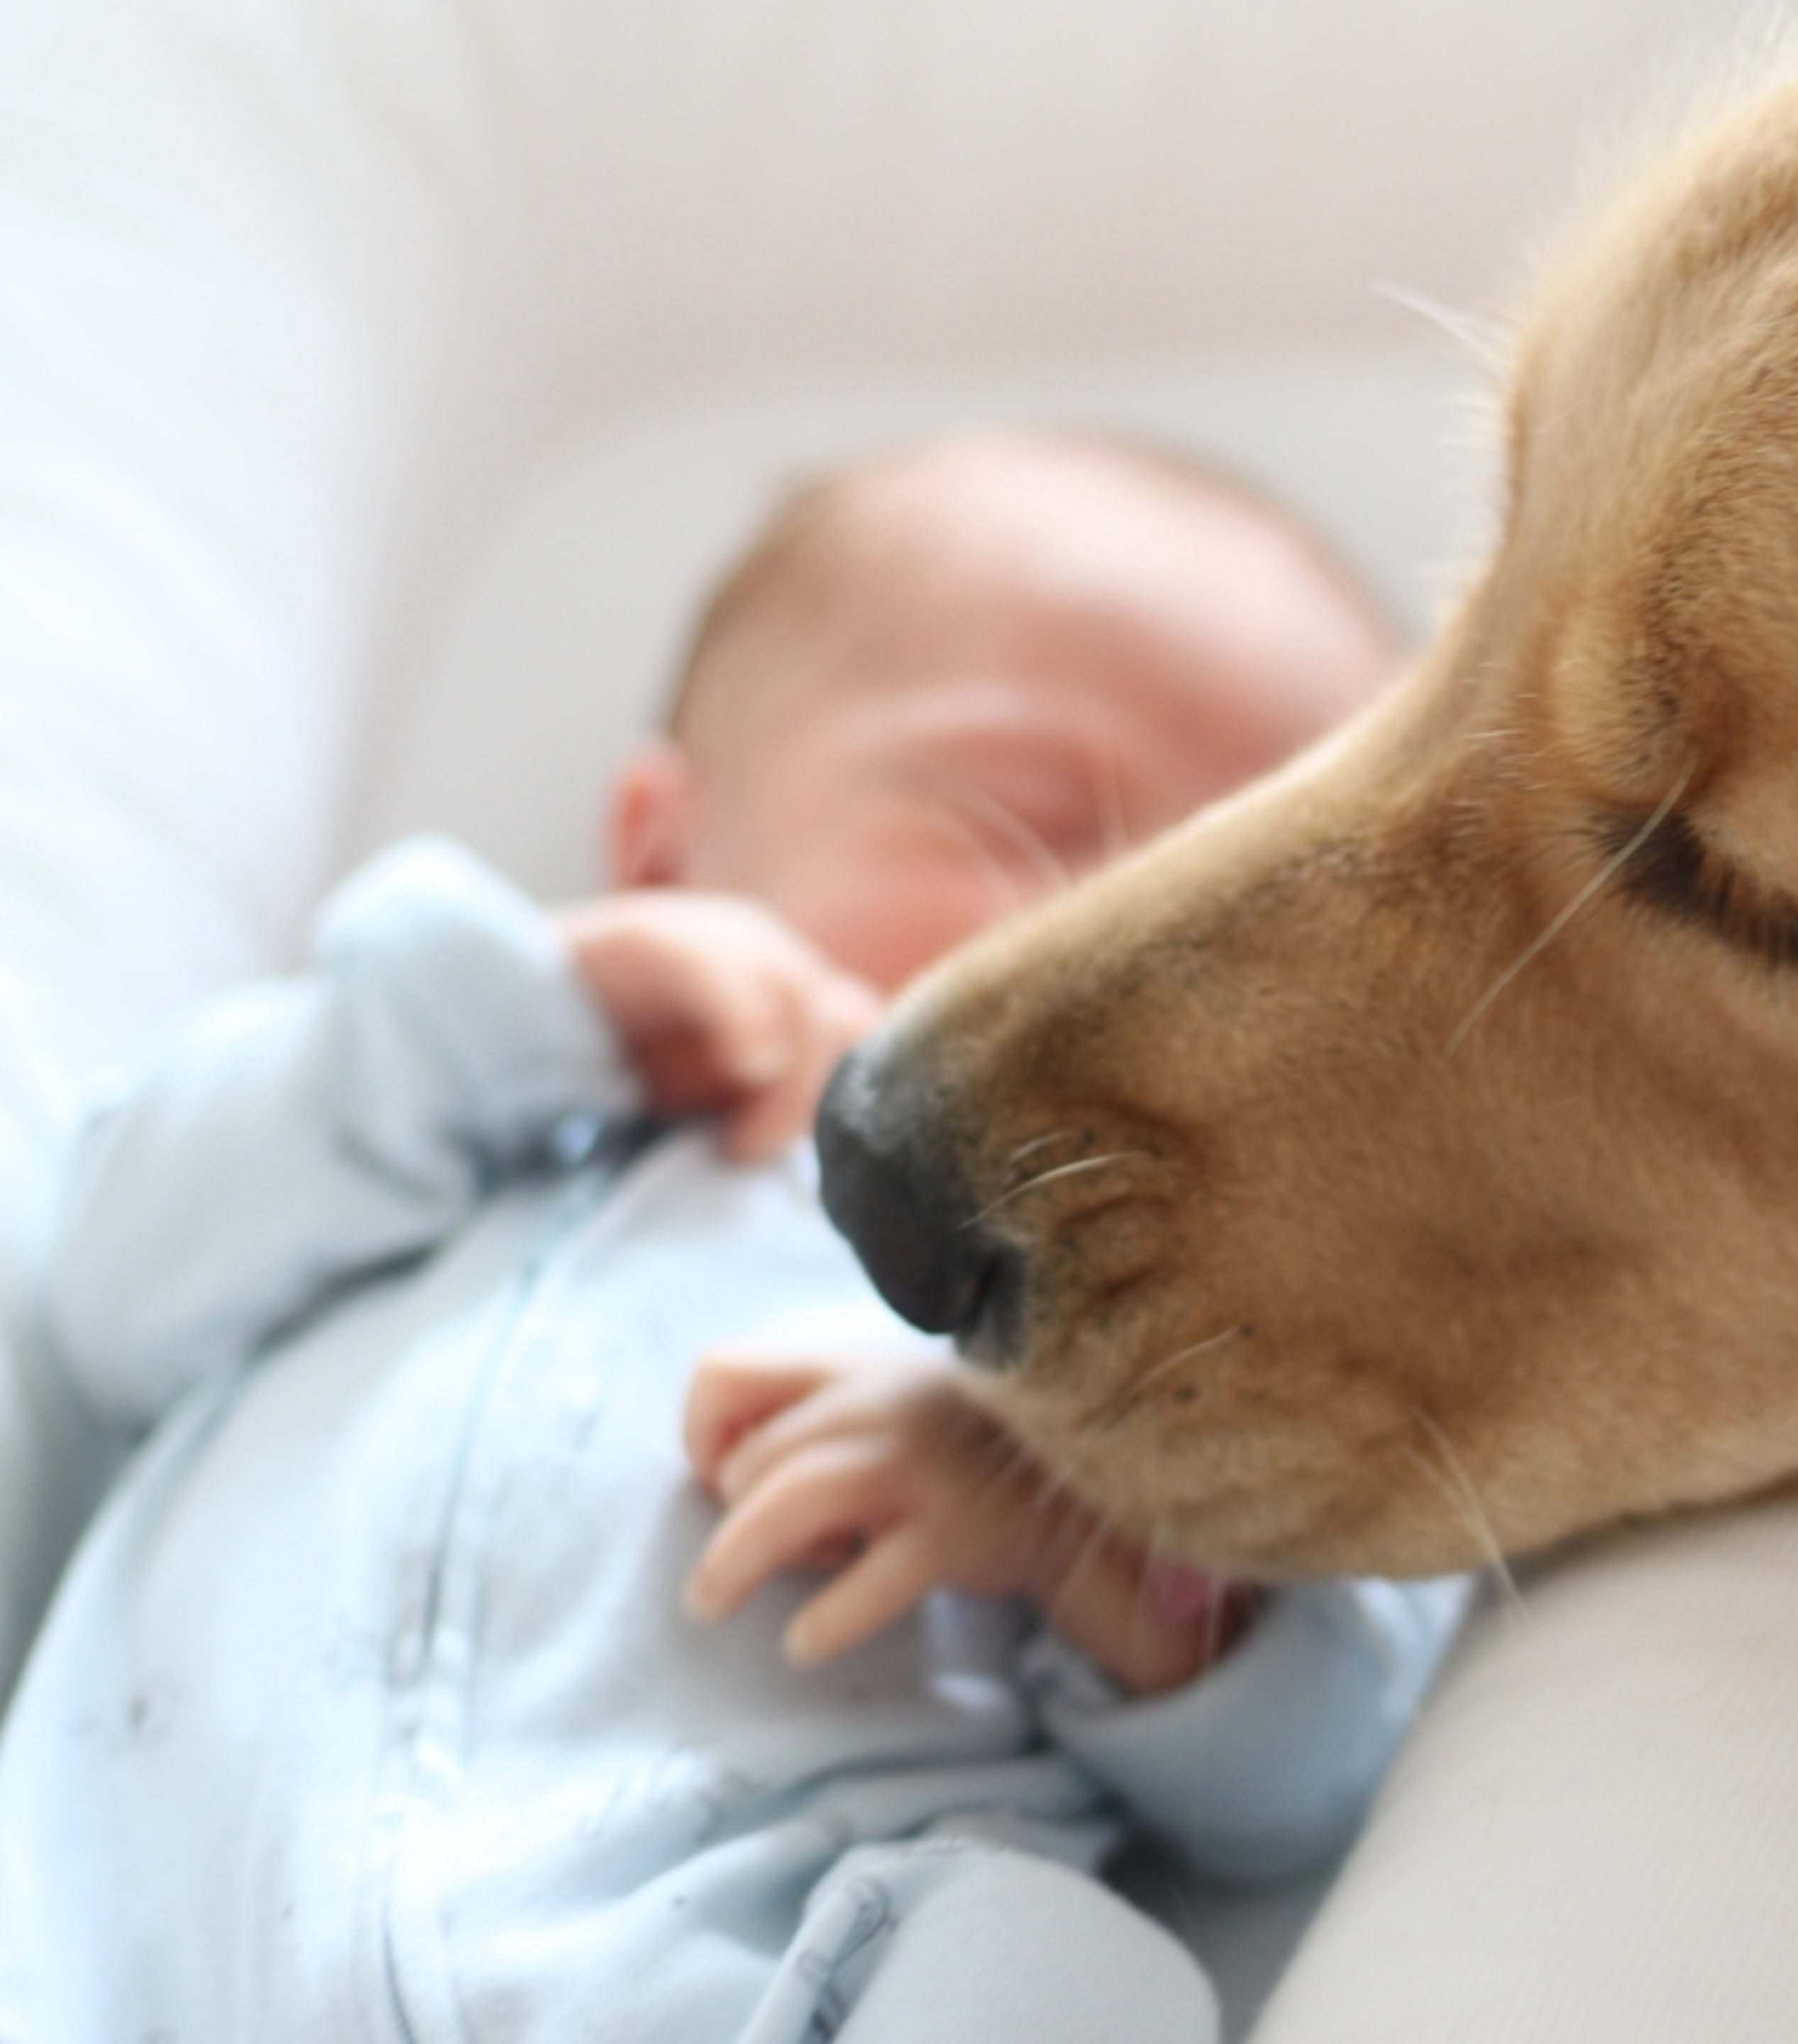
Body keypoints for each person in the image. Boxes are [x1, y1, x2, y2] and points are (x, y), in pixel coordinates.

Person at [0, 432, 1459, 2044]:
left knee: (1071, 1974)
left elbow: (1307, 1774)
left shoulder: (1139, 1311)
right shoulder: (437, 1118)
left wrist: (1078, 1507)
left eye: (1223, 914)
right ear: (658, 849)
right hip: (107, 1966)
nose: (1115, 958)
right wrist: (514, 1010)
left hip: (749, 1978)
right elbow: (106, 1286)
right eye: (1021, 822)